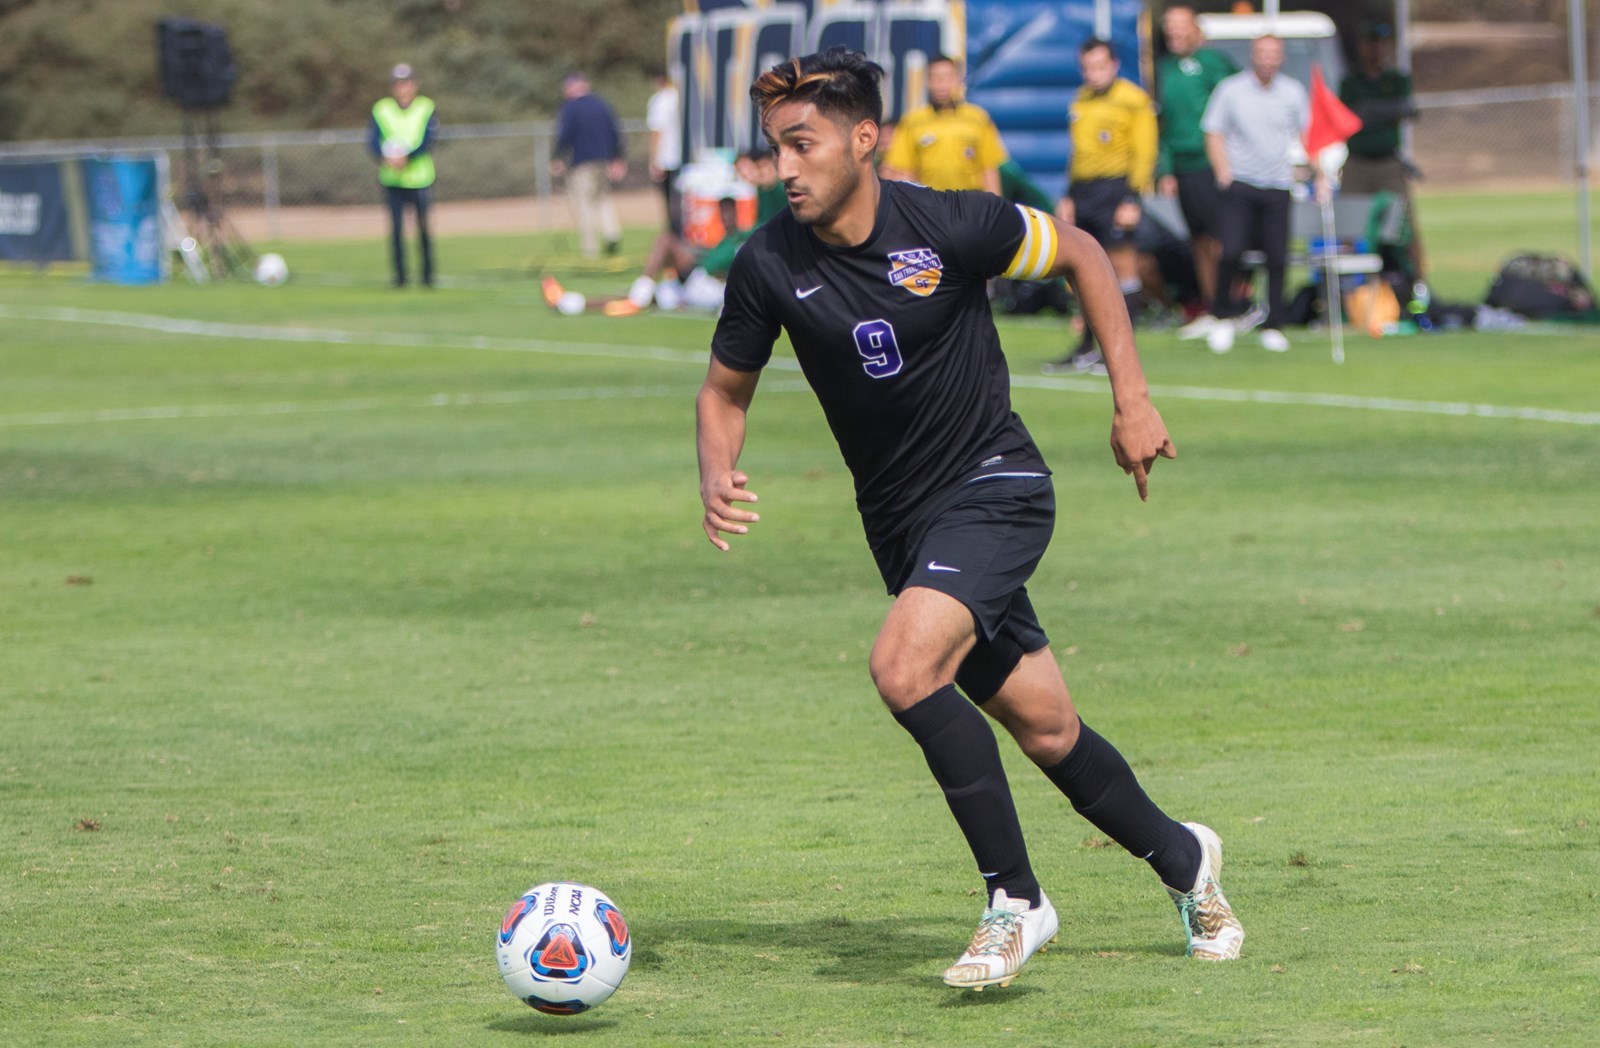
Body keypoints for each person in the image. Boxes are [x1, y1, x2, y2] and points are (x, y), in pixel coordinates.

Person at [697, 46, 1244, 991]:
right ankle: (1186, 861)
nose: (783, 167)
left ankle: (1016, 901)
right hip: (903, 527)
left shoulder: (948, 221)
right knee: (1047, 728)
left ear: (863, 140)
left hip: (997, 488)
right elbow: (723, 390)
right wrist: (717, 469)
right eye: (774, 148)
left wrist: (1132, 399)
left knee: (903, 667)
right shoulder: (769, 263)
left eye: (802, 144)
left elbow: (1079, 253)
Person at [1045, 38, 1158, 375]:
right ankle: (1085, 349)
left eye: (1100, 66)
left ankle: (1123, 356)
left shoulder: (1134, 100)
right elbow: (1077, 154)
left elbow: (1144, 152)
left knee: (1122, 269)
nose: (1094, 73)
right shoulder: (1081, 100)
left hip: (1116, 188)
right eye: (1088, 67)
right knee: (1080, 271)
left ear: (1115, 65)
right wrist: (1068, 195)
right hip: (1083, 192)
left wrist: (1131, 198)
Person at [1201, 35, 1316, 354]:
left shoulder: (1292, 91)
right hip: (1240, 183)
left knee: (1277, 258)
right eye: (1262, 53)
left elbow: (1306, 135)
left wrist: (1315, 170)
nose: (1268, 59)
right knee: (1231, 252)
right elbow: (1213, 132)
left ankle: (1273, 323)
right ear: (1254, 56)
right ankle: (1222, 316)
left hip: (1278, 185)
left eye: (1273, 54)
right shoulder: (1231, 90)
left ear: (1281, 57)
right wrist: (1223, 171)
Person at [1153, 2, 1237, 339]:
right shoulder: (1164, 68)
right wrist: (1166, 169)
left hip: (1209, 164)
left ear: (1196, 30)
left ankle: (1229, 305)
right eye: (1169, 26)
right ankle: (1210, 304)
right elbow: (1165, 123)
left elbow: (1234, 102)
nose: (1173, 32)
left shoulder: (1213, 64)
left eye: (1179, 25)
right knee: (1198, 238)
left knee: (1219, 238)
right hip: (1182, 165)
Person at [1339, 22, 1426, 279]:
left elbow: (1406, 109)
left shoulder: (1397, 80)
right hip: (1357, 164)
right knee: (1348, 226)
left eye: (1380, 43)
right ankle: (1345, 292)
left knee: (1406, 226)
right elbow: (1351, 119)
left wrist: (1371, 112)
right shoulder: (1351, 82)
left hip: (1388, 164)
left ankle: (1420, 287)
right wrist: (1382, 112)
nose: (1375, 49)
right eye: (1370, 43)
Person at [878, 54, 1006, 194]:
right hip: (930, 205)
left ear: (958, 80)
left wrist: (994, 208)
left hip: (971, 204)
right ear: (928, 81)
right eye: (936, 78)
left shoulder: (978, 118)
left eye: (947, 77)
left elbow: (989, 169)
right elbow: (904, 170)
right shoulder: (912, 121)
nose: (941, 84)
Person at [369, 64, 439, 288]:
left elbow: (429, 140)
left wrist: (407, 157)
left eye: (407, 83)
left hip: (419, 178)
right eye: (398, 84)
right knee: (396, 231)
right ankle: (400, 278)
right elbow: (372, 141)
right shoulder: (381, 109)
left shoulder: (426, 107)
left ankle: (428, 277)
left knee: (423, 230)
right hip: (392, 179)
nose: (403, 88)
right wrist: (386, 157)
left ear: (414, 84)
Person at [552, 72, 625, 259]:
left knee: (583, 204)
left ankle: (590, 249)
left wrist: (558, 157)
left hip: (582, 163)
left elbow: (565, 135)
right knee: (602, 199)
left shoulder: (571, 108)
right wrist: (618, 157)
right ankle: (612, 233)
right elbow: (616, 132)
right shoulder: (602, 105)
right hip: (604, 161)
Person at [646, 66, 684, 237]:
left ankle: (675, 243)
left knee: (672, 207)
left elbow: (656, 132)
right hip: (685, 158)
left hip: (668, 159)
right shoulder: (683, 96)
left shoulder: (659, 100)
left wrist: (654, 159)